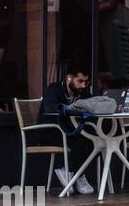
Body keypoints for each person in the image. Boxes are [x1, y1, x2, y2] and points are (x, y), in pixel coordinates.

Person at [39, 63, 95, 195]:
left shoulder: (82, 92)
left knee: (95, 140)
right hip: (49, 132)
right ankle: (77, 174)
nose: (83, 85)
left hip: (70, 131)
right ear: (69, 78)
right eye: (80, 81)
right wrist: (74, 108)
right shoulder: (53, 89)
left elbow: (92, 105)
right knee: (81, 140)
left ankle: (74, 172)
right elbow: (50, 109)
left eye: (86, 82)